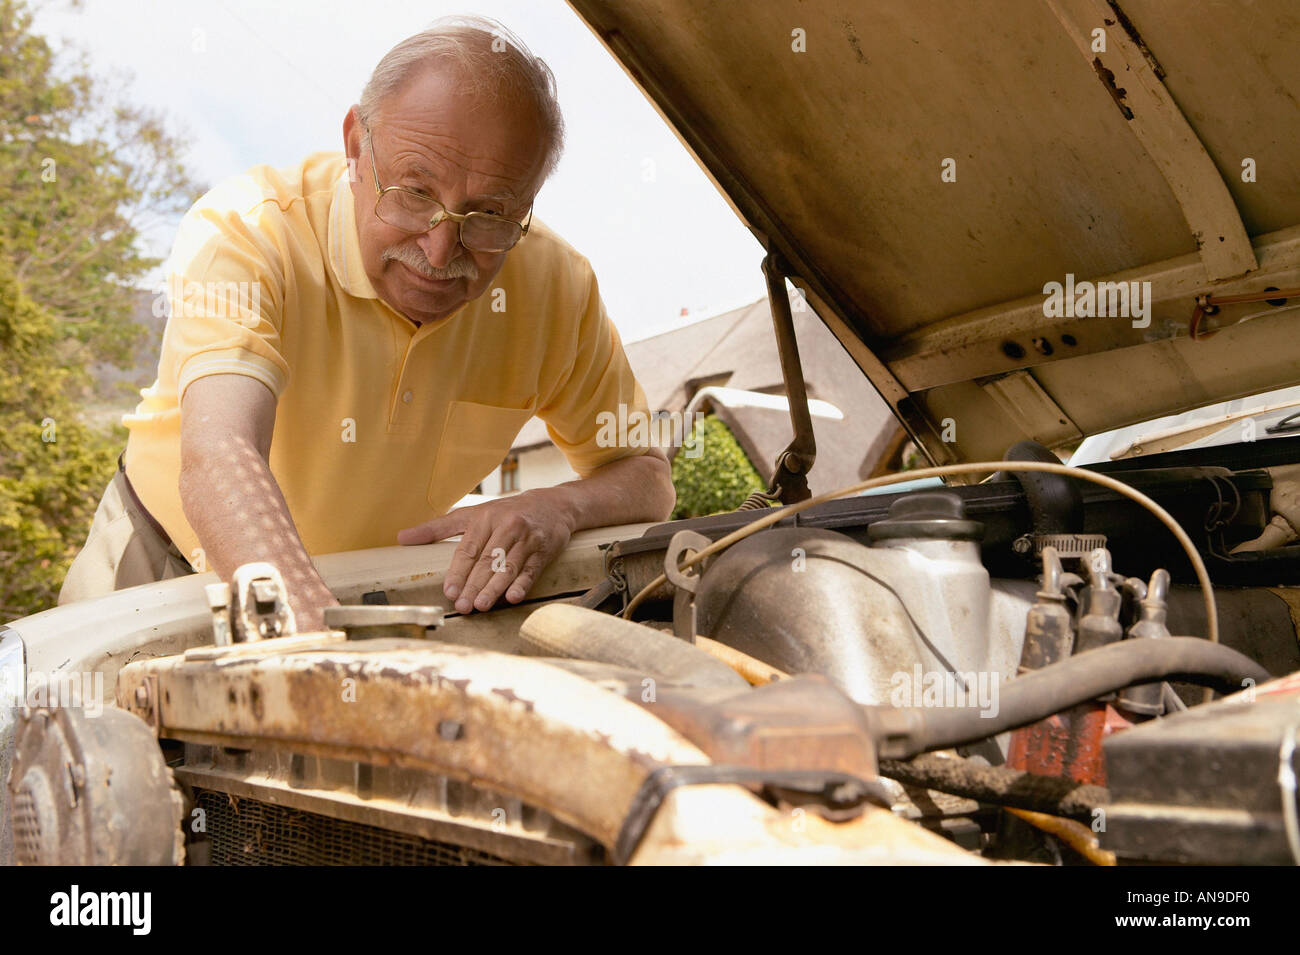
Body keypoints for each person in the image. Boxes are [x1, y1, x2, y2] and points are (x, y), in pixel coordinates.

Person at [59, 17, 675, 630]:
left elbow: (646, 478)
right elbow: (221, 450)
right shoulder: (249, 231)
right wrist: (316, 641)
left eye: (490, 214)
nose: (440, 252)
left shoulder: (558, 289)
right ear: (357, 147)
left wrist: (557, 507)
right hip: (159, 561)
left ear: (531, 198)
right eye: (413, 193)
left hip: (359, 588)